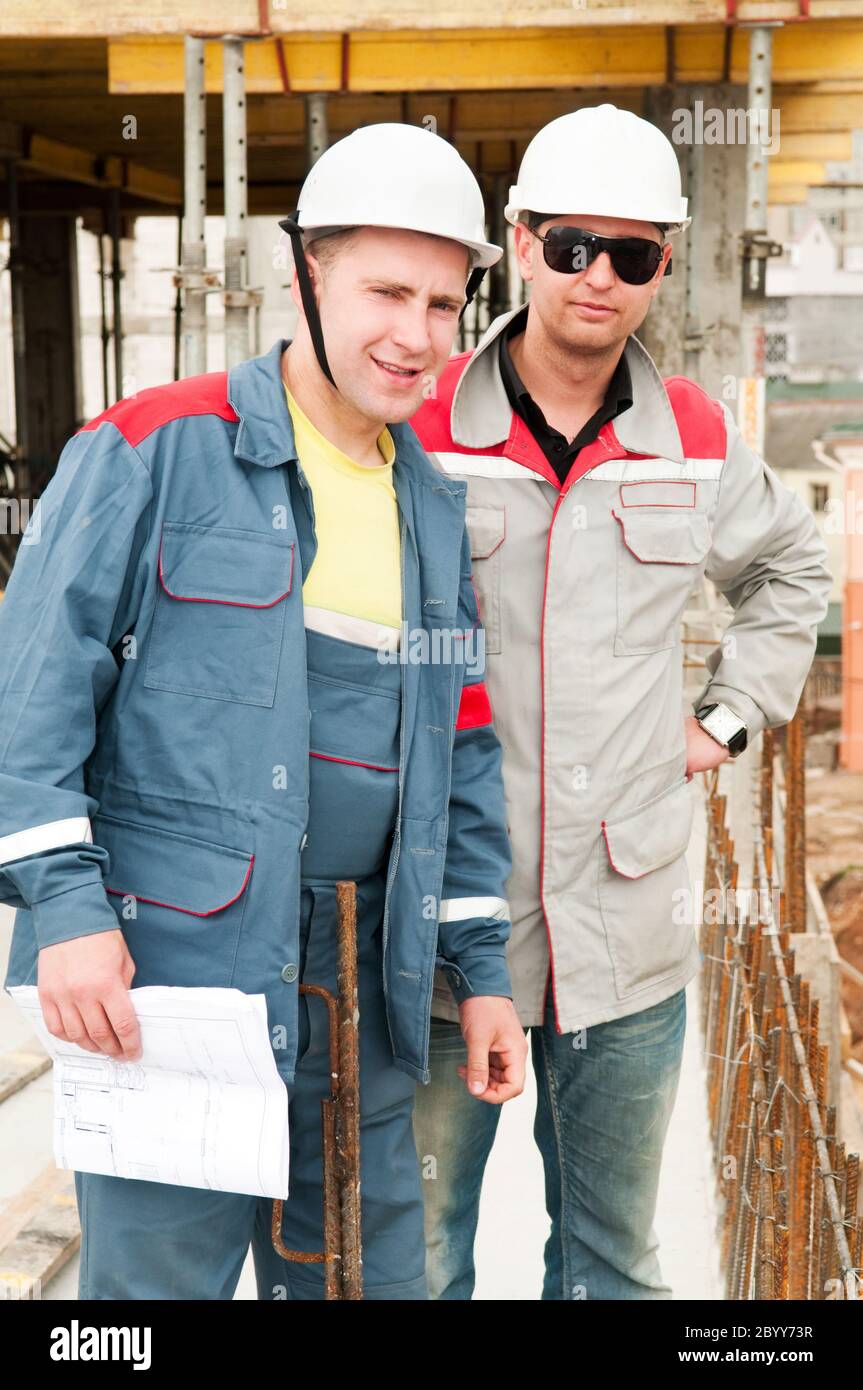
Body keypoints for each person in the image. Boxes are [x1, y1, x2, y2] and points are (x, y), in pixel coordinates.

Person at [0, 121, 526, 1301]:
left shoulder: (431, 509)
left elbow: (463, 750)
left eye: (445, 304)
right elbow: (28, 696)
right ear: (304, 277)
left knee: (359, 1283)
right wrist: (69, 911)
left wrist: (481, 967)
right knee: (144, 1303)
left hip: (364, 999)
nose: (417, 336)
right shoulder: (153, 447)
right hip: (167, 983)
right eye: (386, 291)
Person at [411, 103, 832, 1300]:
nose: (598, 277)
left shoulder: (694, 438)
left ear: (659, 267)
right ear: (521, 237)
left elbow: (788, 570)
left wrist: (725, 717)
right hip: (454, 918)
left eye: (633, 253)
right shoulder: (425, 424)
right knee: (420, 1249)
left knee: (611, 1261)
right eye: (571, 245)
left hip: (625, 924)